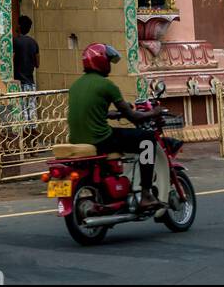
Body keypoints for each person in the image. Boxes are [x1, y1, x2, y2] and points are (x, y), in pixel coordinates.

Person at [67, 43, 162, 210]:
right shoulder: (107, 85)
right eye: (108, 61)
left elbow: (90, 109)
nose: (110, 65)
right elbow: (132, 115)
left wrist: (109, 113)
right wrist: (154, 112)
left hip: (77, 139)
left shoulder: (75, 85)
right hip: (100, 139)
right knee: (147, 140)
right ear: (101, 62)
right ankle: (146, 194)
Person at [13, 15, 40, 124]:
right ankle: (32, 138)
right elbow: (37, 64)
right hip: (30, 82)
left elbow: (11, 59)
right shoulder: (34, 43)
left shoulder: (15, 41)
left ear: (19, 26)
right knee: (32, 112)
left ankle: (24, 138)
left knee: (22, 112)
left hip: (19, 83)